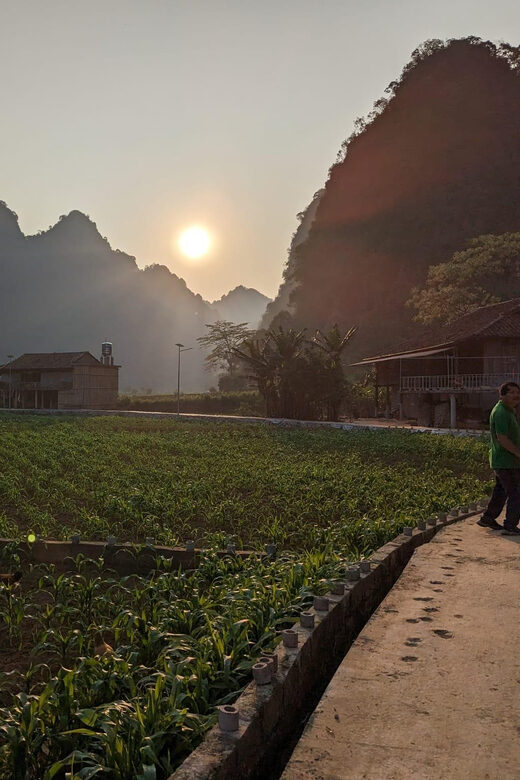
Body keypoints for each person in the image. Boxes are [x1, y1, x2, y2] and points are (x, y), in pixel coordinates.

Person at [477, 381, 520, 535]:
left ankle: (488, 518)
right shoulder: (501, 412)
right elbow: (502, 438)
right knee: (516, 492)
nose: (516, 395)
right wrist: (518, 453)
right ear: (502, 395)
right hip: (505, 461)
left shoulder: (508, 411)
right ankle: (510, 525)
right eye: (512, 392)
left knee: (501, 490)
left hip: (505, 460)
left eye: (517, 392)